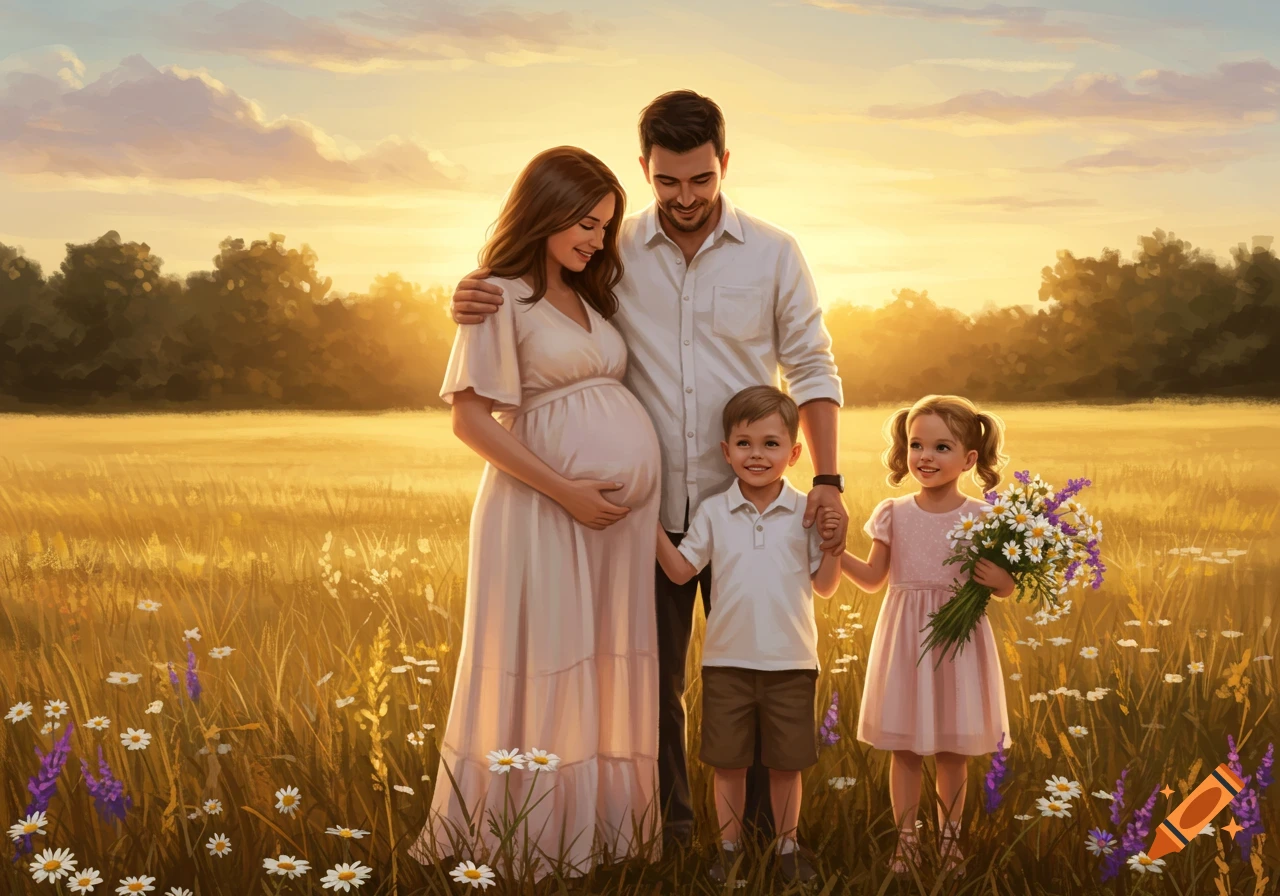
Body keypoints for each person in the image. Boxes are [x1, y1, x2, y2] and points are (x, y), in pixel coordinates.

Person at [448, 89, 847, 850]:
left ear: (724, 164)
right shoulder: (613, 248)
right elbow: (535, 294)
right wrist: (471, 291)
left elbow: (813, 366)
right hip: (647, 517)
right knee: (647, 683)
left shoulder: (774, 252)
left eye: (700, 179)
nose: (685, 197)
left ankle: (764, 842)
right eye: (668, 181)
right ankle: (671, 832)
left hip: (749, 513)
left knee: (759, 675)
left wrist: (825, 481)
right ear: (646, 169)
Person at [407, 146, 662, 879]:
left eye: (605, 226)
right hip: (542, 512)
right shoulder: (496, 295)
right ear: (544, 210)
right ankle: (534, 839)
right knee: (548, 659)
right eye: (583, 222)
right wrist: (567, 491)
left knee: (600, 664)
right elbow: (471, 421)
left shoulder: (591, 297)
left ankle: (601, 834)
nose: (594, 238)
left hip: (610, 530)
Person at [655, 385, 840, 884]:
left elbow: (823, 586)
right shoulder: (714, 511)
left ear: (795, 453)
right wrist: (648, 523)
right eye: (744, 444)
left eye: (771, 444)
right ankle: (730, 850)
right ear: (725, 451)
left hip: (792, 664)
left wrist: (835, 544)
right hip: (726, 664)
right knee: (728, 765)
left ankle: (787, 848)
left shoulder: (806, 513)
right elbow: (678, 572)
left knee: (786, 766)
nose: (757, 455)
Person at [827, 395, 1013, 876]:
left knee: (953, 751)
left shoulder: (984, 516)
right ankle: (907, 842)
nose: (925, 457)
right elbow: (873, 578)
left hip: (958, 642)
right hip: (906, 640)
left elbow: (1006, 587)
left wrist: (1000, 582)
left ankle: (950, 841)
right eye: (916, 445)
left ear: (970, 459)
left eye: (942, 447)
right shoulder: (894, 512)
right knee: (905, 748)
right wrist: (833, 551)